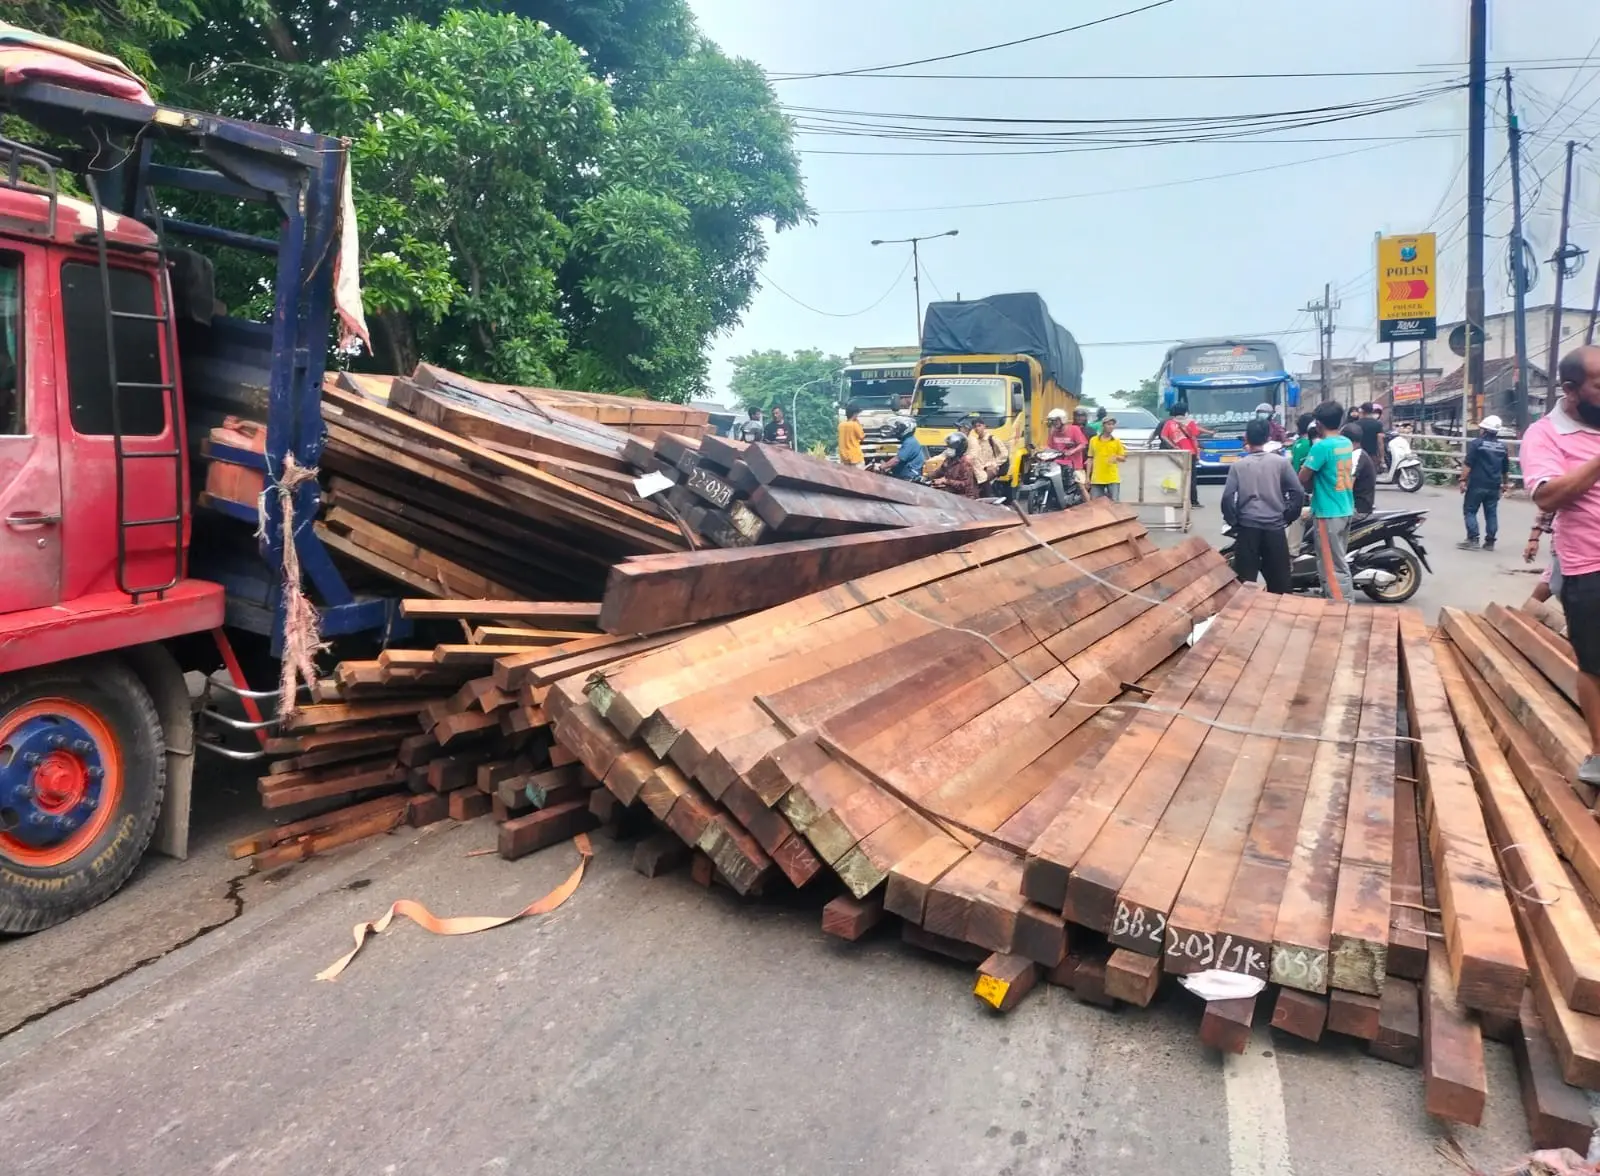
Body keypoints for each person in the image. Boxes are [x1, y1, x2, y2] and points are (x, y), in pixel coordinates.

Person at [1520, 345, 1600, 787]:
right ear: (1571, 390)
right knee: (1595, 663)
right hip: (1589, 565)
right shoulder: (1545, 434)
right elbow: (1547, 495)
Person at [1222, 418, 1306, 594]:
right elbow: (1297, 492)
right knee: (1280, 584)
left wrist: (1234, 522)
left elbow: (1228, 498)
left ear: (1246, 438)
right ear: (1268, 437)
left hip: (1248, 528)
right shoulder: (1281, 463)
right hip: (1274, 528)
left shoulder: (1238, 466)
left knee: (1245, 584)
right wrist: (1288, 516)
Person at [1298, 400, 1356, 601]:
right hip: (1345, 507)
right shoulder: (1346, 443)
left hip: (1328, 511)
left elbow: (1303, 476)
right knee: (1334, 560)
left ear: (1319, 424)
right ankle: (1331, 600)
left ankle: (1342, 607)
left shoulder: (1321, 447)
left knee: (1332, 565)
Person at [1458, 413, 1509, 550]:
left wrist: (1463, 480)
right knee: (1491, 513)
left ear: (1484, 430)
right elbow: (1505, 469)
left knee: (1470, 511)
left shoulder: (1477, 444)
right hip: (1494, 485)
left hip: (1477, 484)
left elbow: (1468, 464)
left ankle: (1473, 539)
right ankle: (1490, 542)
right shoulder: (1502, 447)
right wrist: (1504, 484)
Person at [1159, 402, 1211, 508]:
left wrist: (1173, 446)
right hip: (1190, 453)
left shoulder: (1169, 423)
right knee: (1191, 478)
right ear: (1185, 411)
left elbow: (1163, 436)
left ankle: (1179, 501)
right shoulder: (1190, 422)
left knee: (1178, 476)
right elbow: (1195, 435)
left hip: (1177, 453)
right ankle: (1193, 501)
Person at [1044, 407, 1088, 508]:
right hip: (1057, 464)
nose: (1054, 423)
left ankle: (1090, 507)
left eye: (1056, 420)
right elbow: (1049, 446)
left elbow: (1083, 444)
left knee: (1081, 487)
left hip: (1074, 465)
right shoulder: (1053, 432)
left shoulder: (1074, 429)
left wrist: (1072, 451)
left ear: (1062, 420)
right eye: (1052, 421)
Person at [1340, 422, 1377, 520]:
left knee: (1304, 516)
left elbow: (1346, 486)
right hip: (1352, 507)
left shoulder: (1355, 456)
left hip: (1357, 510)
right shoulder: (1356, 454)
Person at [1087, 416, 1126, 501]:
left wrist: (1116, 457)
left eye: (1113, 424)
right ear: (1103, 426)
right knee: (1095, 504)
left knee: (1114, 503)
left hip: (1112, 477)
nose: (1111, 426)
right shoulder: (1093, 440)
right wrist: (1087, 477)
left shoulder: (1116, 441)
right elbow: (1090, 459)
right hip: (1097, 478)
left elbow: (1123, 458)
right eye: (1109, 424)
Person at [932, 430, 979, 498]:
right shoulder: (949, 460)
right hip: (952, 493)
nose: (948, 450)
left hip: (965, 497)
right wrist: (926, 477)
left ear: (958, 449)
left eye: (951, 448)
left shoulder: (965, 463)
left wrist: (946, 481)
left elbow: (965, 485)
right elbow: (939, 471)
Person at [965, 414, 1009, 487]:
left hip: (991, 468)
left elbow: (1004, 453)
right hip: (980, 468)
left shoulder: (992, 438)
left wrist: (995, 463)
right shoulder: (976, 441)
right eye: (975, 427)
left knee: (984, 481)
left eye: (979, 426)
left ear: (984, 426)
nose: (977, 428)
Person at [881, 415, 925, 480]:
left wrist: (882, 467)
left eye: (899, 428)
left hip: (908, 477)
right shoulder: (908, 441)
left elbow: (896, 460)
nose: (896, 430)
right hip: (904, 475)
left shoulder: (910, 442)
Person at [1354, 402, 1388, 470]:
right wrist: (1382, 458)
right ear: (1372, 411)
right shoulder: (1377, 424)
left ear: (1362, 411)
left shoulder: (1356, 424)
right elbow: (1380, 442)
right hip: (1373, 456)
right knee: (1372, 476)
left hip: (1359, 456)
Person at [837, 402, 865, 469]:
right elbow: (862, 437)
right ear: (855, 413)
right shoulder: (855, 425)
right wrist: (858, 423)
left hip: (844, 458)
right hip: (856, 457)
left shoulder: (841, 425)